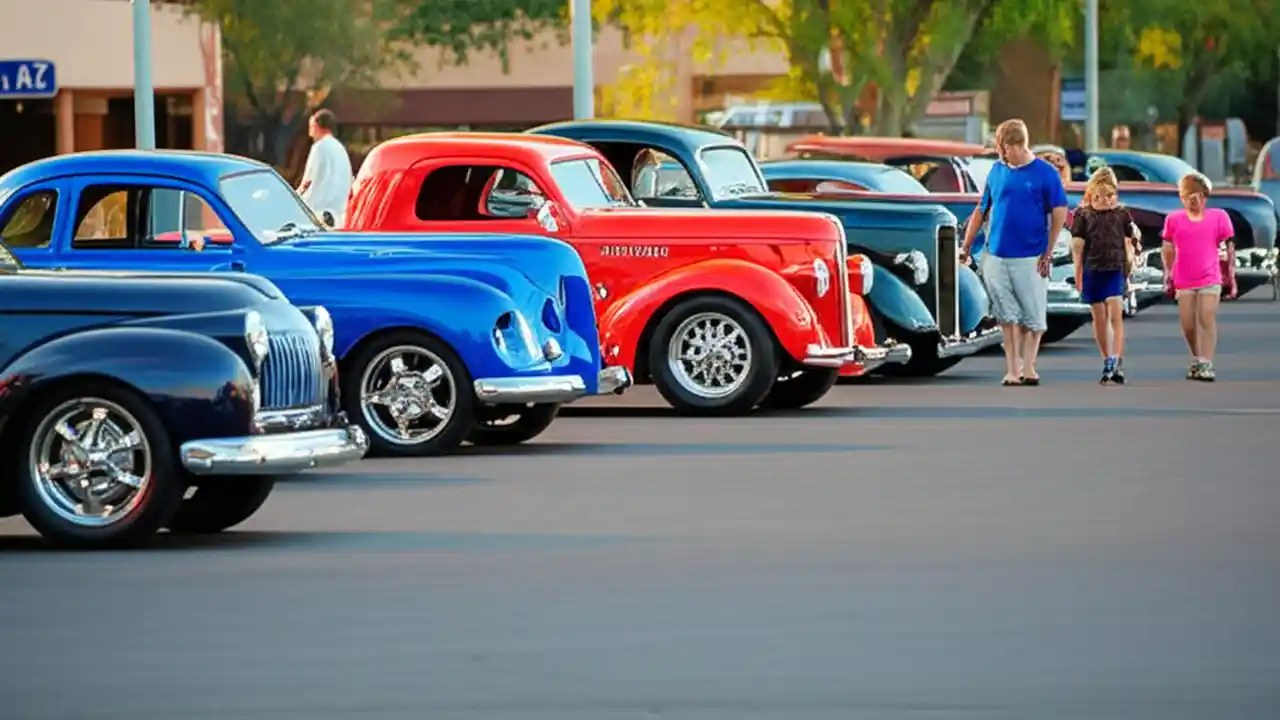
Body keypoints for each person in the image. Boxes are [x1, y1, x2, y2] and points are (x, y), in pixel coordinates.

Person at [960, 119, 1069, 386]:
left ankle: (1029, 366)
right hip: (996, 255)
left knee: (1033, 316)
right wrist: (966, 246)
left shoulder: (1045, 174)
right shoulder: (997, 171)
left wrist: (1048, 250)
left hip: (1031, 255)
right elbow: (981, 209)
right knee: (1006, 316)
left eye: (1003, 148)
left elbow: (1059, 211)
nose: (1000, 153)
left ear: (1017, 145)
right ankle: (1013, 369)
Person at [1161, 171, 1237, 381]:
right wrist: (1168, 272)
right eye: (1187, 197)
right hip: (1184, 278)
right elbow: (1167, 247)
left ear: (1204, 196)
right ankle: (1197, 357)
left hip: (1210, 276)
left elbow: (1228, 248)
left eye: (1196, 197)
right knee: (1188, 324)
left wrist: (1231, 274)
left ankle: (1206, 362)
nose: (1192, 202)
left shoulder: (1219, 217)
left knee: (1206, 317)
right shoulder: (1174, 219)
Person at [1070, 167, 1136, 384]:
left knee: (1115, 311)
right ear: (1092, 193)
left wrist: (1131, 260)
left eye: (1110, 194)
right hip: (1093, 268)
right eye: (1101, 195)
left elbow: (1130, 239)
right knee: (1099, 316)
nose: (1106, 199)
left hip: (1115, 267)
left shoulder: (1121, 214)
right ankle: (1107, 359)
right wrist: (1078, 272)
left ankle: (1116, 359)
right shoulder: (1083, 215)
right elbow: (1077, 247)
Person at [296, 109, 353, 226]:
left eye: (312, 127)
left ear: (318, 126)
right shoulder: (340, 148)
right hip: (340, 213)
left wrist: (295, 197)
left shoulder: (319, 147)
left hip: (319, 213)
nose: (310, 134)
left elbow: (308, 182)